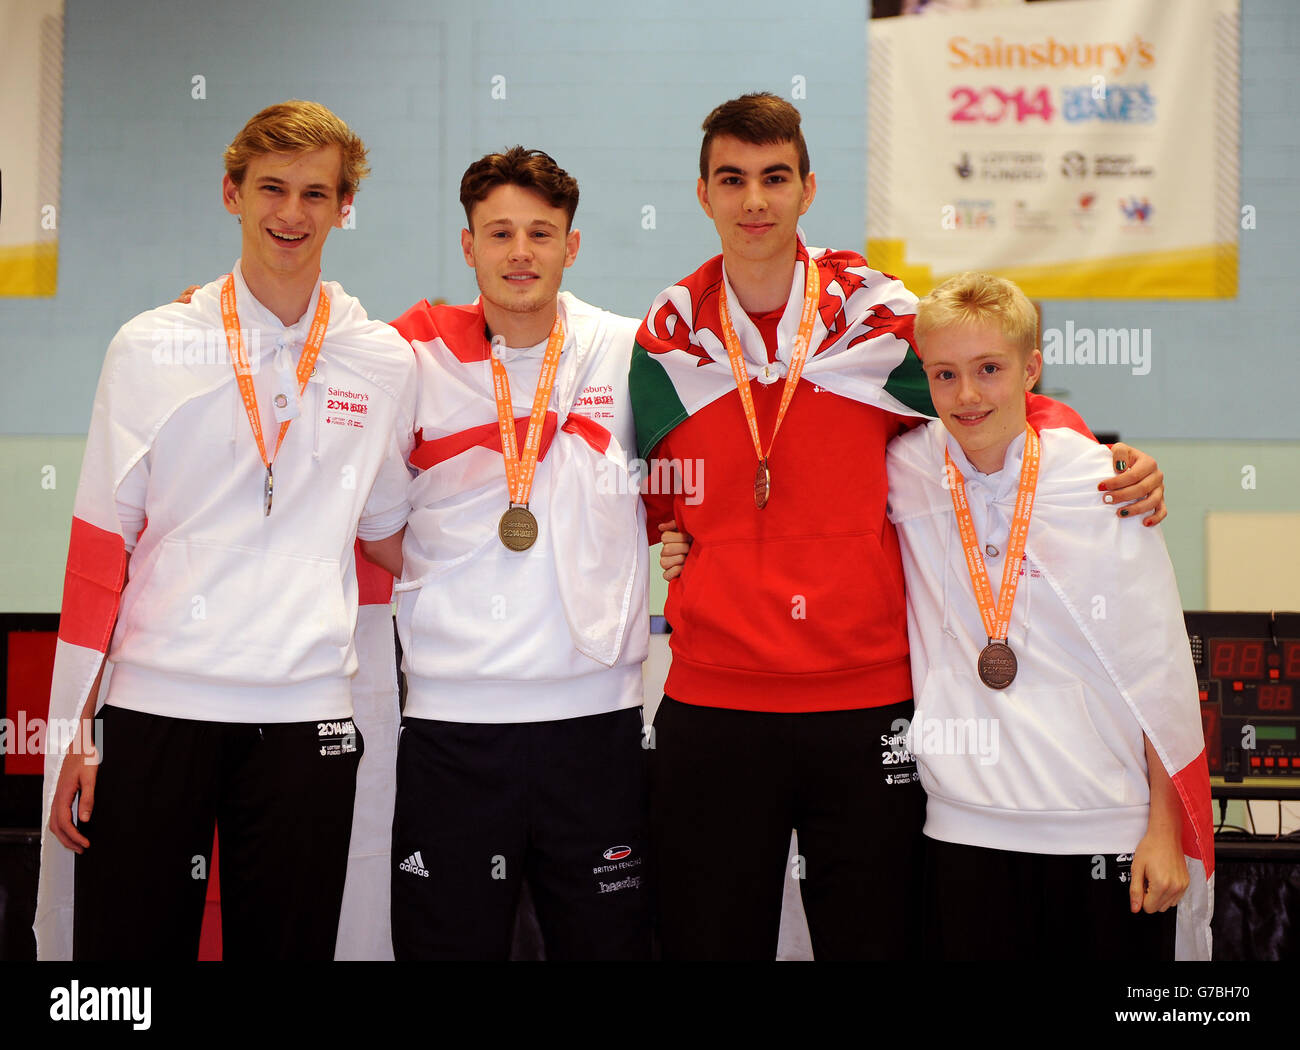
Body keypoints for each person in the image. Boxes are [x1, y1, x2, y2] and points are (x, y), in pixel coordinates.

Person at [632, 92, 1166, 960]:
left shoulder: (876, 319)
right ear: (703, 195)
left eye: (775, 178)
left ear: (809, 187)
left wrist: (1094, 451)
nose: (755, 201)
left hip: (870, 709)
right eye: (732, 180)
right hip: (714, 705)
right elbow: (653, 493)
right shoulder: (666, 342)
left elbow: (986, 396)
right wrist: (681, 536)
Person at [38, 100, 416, 960]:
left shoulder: (382, 360)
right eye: (271, 189)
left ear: (343, 206)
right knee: (120, 983)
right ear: (231, 194)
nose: (291, 213)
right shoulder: (149, 347)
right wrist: (76, 732)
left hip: (307, 717)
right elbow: (103, 558)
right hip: (156, 706)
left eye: (315, 194)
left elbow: (396, 530)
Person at [367, 148, 654, 960]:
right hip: (454, 727)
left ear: (572, 245)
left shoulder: (628, 351)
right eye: (499, 233)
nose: (520, 252)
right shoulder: (409, 357)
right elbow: (380, 525)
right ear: (469, 248)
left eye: (540, 232)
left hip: (594, 724)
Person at [886, 271, 1213, 960]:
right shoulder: (905, 471)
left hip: (1105, 833)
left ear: (1032, 369)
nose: (968, 394)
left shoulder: (1105, 485)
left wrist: (1164, 828)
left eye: (990, 369)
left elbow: (1158, 673)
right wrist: (684, 539)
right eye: (945, 374)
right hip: (963, 834)